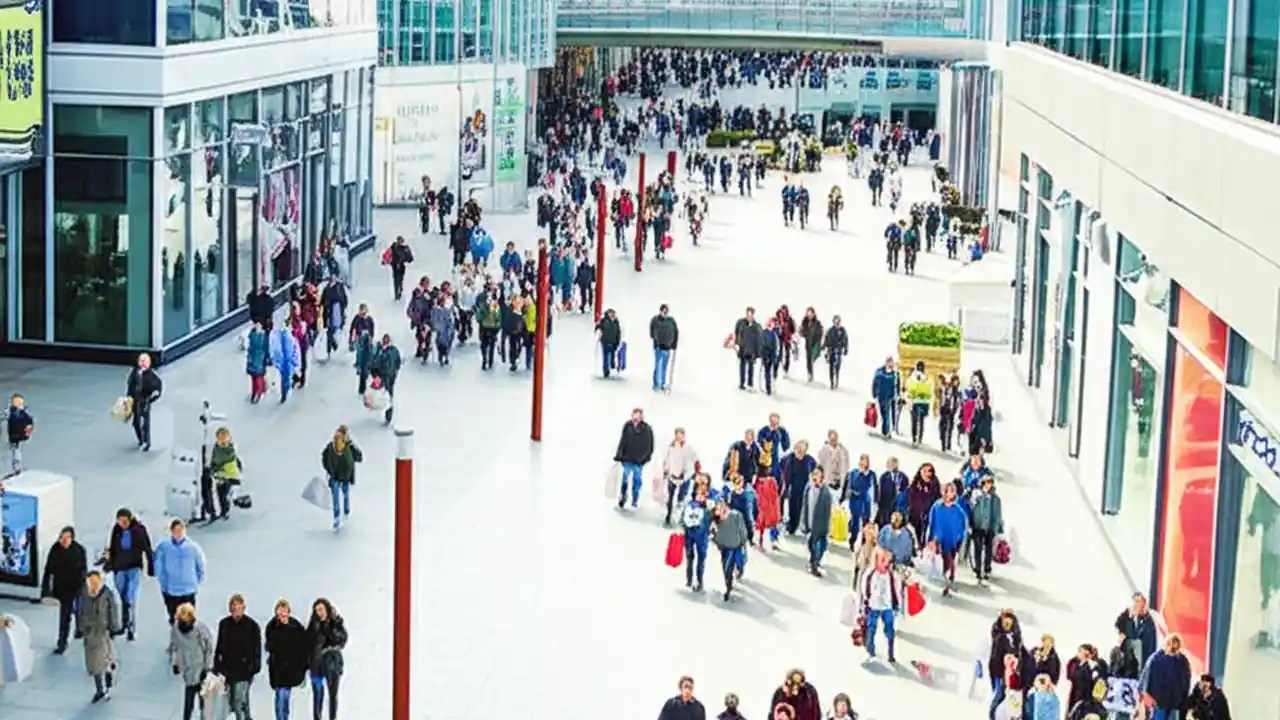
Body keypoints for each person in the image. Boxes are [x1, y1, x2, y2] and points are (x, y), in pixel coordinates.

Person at [103, 508, 154, 642]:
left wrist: (150, 566)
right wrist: (109, 563)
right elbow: (112, 547)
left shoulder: (139, 530)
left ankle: (130, 627)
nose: (122, 524)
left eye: (124, 521)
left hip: (134, 567)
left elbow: (147, 548)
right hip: (119, 568)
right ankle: (124, 622)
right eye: (120, 521)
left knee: (130, 598)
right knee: (122, 598)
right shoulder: (116, 530)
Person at [214, 594, 262, 720]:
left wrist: (255, 666)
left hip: (245, 669)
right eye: (233, 607)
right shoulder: (224, 624)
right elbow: (220, 645)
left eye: (238, 607)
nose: (236, 610)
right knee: (239, 699)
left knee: (238, 700)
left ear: (243, 608)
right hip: (229, 668)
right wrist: (217, 664)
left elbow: (257, 648)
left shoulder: (252, 625)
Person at [42, 525, 87, 654]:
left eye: (67, 538)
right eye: (62, 537)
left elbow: (83, 571)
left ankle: (79, 628)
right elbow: (48, 569)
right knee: (65, 616)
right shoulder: (55, 549)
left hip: (76, 587)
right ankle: (62, 642)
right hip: (62, 588)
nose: (64, 540)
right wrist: (46, 589)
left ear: (72, 538)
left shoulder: (79, 550)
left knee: (79, 611)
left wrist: (80, 586)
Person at [78, 569, 122, 703]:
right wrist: (80, 627)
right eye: (91, 581)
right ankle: (100, 688)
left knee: (103, 659)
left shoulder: (107, 594)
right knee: (94, 663)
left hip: (103, 631)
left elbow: (113, 610)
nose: (93, 584)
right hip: (90, 633)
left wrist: (114, 627)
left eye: (96, 581)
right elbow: (80, 609)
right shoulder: (84, 593)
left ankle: (104, 687)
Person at [265, 598, 311, 720]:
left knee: (286, 697)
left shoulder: (296, 626)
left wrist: (304, 666)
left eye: (284, 612)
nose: (282, 615)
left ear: (288, 612)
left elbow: (304, 647)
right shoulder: (272, 627)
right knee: (281, 697)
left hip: (292, 669)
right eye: (280, 612)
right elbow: (270, 646)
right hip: (278, 669)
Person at [155, 519, 206, 624]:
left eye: (180, 530)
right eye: (175, 531)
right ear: (171, 531)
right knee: (174, 618)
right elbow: (159, 567)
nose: (178, 533)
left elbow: (200, 565)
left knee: (189, 617)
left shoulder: (193, 547)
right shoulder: (164, 547)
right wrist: (164, 584)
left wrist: (196, 582)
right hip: (172, 589)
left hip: (189, 589)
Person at [170, 602, 215, 720]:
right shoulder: (176, 628)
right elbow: (175, 646)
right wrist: (176, 663)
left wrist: (207, 667)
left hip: (200, 667)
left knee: (202, 700)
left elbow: (209, 648)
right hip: (188, 668)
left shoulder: (200, 629)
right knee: (189, 699)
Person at [307, 598, 348, 720]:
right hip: (316, 665)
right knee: (317, 695)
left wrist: (329, 627)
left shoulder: (336, 623)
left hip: (332, 664)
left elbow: (341, 641)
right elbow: (307, 643)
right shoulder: (313, 625)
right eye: (317, 610)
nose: (319, 612)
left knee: (332, 696)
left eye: (321, 609)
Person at [860, 548, 902, 663]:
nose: (885, 563)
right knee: (871, 629)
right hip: (873, 606)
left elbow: (897, 590)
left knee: (890, 630)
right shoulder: (870, 574)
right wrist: (865, 601)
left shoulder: (892, 575)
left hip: (887, 606)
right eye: (882, 560)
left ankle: (891, 653)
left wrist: (897, 605)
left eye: (886, 560)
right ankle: (870, 650)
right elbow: (864, 588)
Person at [926, 483, 967, 596]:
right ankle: (945, 584)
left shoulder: (958, 510)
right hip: (939, 540)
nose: (949, 494)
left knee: (950, 561)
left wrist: (961, 540)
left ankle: (949, 581)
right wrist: (930, 539)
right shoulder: (937, 506)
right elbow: (931, 523)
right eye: (947, 491)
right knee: (942, 562)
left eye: (951, 491)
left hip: (953, 541)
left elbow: (963, 526)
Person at [1139, 634, 1192, 720]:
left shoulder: (1182, 661)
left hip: (1175, 702)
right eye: (1172, 648)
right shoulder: (1155, 659)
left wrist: (1184, 699)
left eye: (1176, 648)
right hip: (1159, 702)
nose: (1174, 651)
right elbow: (1146, 679)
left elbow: (1186, 681)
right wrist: (1147, 696)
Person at [322, 425, 363, 530]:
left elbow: (359, 457)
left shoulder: (349, 447)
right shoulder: (330, 448)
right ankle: (336, 517)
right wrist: (329, 470)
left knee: (345, 493)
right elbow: (324, 458)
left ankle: (346, 508)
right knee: (336, 497)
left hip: (345, 477)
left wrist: (353, 444)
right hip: (335, 476)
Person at [613, 408, 655, 509]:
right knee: (625, 479)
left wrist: (645, 458)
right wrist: (619, 455)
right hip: (627, 458)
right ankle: (623, 497)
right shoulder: (627, 426)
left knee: (637, 481)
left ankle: (635, 499)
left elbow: (650, 445)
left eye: (638, 417)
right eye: (634, 416)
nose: (636, 419)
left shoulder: (646, 429)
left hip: (638, 461)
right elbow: (623, 441)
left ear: (641, 418)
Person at [969, 475, 1005, 583]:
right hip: (978, 526)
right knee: (978, 549)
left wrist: (997, 528)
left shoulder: (995, 498)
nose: (988, 485)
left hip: (989, 527)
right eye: (986, 483)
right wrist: (971, 525)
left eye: (990, 483)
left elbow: (998, 514)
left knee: (989, 549)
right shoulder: (976, 495)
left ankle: (987, 569)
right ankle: (978, 569)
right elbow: (972, 509)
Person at [711, 499, 748, 602]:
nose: (720, 509)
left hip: (735, 546)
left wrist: (743, 543)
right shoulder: (715, 517)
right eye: (718, 507)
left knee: (736, 564)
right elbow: (712, 531)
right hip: (724, 547)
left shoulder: (736, 515)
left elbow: (742, 531)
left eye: (722, 506)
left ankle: (735, 576)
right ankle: (728, 587)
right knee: (726, 567)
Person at [126, 352, 163, 451]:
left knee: (146, 422)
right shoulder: (135, 372)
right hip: (135, 400)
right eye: (141, 361)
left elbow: (157, 387)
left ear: (149, 363)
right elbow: (130, 384)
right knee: (136, 422)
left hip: (145, 400)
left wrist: (152, 398)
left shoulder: (151, 375)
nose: (142, 363)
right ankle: (140, 438)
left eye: (145, 361)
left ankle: (147, 441)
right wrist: (128, 396)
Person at [663, 427, 700, 527]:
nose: (679, 438)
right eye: (677, 435)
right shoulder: (670, 447)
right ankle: (668, 516)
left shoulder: (689, 449)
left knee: (681, 498)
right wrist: (666, 471)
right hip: (672, 476)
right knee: (670, 497)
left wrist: (695, 474)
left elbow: (695, 462)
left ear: (684, 436)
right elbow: (666, 460)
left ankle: (679, 517)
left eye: (681, 436)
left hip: (684, 477)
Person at [801, 467, 834, 576]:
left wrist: (828, 526)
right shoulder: (808, 489)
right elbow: (804, 507)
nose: (815, 476)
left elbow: (828, 510)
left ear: (821, 478)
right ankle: (813, 565)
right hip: (810, 522)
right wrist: (804, 522)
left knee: (821, 546)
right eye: (813, 474)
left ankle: (814, 562)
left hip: (821, 524)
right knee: (812, 545)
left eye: (817, 475)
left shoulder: (825, 492)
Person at [681, 481, 712, 592]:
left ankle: (699, 581)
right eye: (699, 494)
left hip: (702, 537)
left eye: (703, 495)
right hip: (690, 535)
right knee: (690, 557)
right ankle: (689, 579)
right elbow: (683, 519)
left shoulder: (708, 508)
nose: (700, 497)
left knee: (701, 560)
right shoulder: (689, 505)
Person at [209, 426, 244, 522]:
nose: (223, 439)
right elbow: (214, 460)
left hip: (230, 476)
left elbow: (229, 459)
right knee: (220, 494)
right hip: (220, 476)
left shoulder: (231, 449)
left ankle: (226, 510)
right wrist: (213, 468)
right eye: (220, 437)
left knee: (225, 493)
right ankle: (223, 511)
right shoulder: (216, 449)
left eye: (225, 437)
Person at [1115, 592, 1160, 667]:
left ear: (1144, 603)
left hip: (1144, 649)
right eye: (1134, 601)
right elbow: (1118, 626)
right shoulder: (1127, 615)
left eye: (1138, 602)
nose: (1136, 604)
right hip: (1129, 646)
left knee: (1139, 643)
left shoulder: (1149, 618)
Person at [371, 334, 402, 424]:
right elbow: (374, 365)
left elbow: (398, 363)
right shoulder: (380, 351)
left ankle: (388, 414)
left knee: (388, 395)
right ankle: (387, 412)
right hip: (383, 377)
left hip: (390, 377)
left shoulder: (393, 351)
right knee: (386, 395)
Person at [650, 303, 679, 391]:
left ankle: (662, 384)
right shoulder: (655, 320)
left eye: (666, 311)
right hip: (659, 347)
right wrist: (656, 340)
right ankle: (656, 384)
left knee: (664, 367)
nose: (665, 313)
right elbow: (651, 332)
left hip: (667, 347)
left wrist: (674, 345)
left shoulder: (671, 321)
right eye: (663, 311)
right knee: (658, 366)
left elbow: (676, 333)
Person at [733, 307, 763, 391]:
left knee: (751, 368)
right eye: (747, 314)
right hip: (743, 348)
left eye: (750, 314)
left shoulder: (757, 326)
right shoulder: (740, 323)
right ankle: (742, 383)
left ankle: (750, 384)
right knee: (742, 367)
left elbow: (760, 339)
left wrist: (759, 352)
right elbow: (736, 333)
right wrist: (736, 343)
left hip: (752, 350)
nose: (749, 316)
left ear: (753, 315)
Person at [843, 454, 875, 532]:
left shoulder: (871, 474)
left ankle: (864, 540)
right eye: (861, 461)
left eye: (865, 461)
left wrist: (864, 474)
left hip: (865, 499)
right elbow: (850, 485)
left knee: (865, 520)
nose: (863, 463)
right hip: (854, 499)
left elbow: (869, 486)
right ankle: (852, 539)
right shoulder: (853, 472)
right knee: (854, 519)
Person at [4, 392, 33, 473]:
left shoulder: (13, 412)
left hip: (15, 435)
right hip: (18, 435)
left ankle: (17, 468)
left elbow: (28, 422)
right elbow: (29, 422)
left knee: (16, 451)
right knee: (16, 450)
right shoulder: (21, 412)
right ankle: (17, 468)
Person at [871, 357, 900, 438]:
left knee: (887, 413)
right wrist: (874, 393)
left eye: (891, 362)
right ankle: (885, 430)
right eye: (888, 361)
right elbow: (874, 383)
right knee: (883, 413)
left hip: (890, 396)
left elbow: (897, 385)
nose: (889, 363)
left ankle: (886, 431)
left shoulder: (895, 374)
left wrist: (897, 395)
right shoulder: (879, 372)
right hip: (881, 395)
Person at [905, 361, 933, 446]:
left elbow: (909, 389)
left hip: (914, 402)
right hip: (923, 402)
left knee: (914, 421)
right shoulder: (927, 379)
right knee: (921, 421)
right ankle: (919, 438)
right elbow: (929, 392)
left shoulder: (912, 378)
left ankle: (914, 438)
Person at [817, 430, 850, 495]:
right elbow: (821, 465)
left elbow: (846, 466)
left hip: (838, 484)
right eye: (832, 439)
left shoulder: (844, 451)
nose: (834, 441)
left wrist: (840, 479)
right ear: (828, 439)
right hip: (826, 482)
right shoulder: (823, 450)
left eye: (835, 439)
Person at [595, 308, 623, 378]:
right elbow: (598, 327)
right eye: (611, 313)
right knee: (606, 357)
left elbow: (618, 331)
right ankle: (606, 371)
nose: (612, 315)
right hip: (605, 341)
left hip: (613, 342)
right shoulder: (604, 320)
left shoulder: (616, 321)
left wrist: (619, 340)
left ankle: (612, 366)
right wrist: (597, 329)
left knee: (612, 356)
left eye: (613, 313)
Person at [822, 316, 848, 389]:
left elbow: (846, 340)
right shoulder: (830, 330)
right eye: (836, 322)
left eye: (838, 322)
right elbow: (826, 339)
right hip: (831, 350)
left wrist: (846, 348)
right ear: (833, 322)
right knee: (831, 367)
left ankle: (836, 380)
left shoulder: (843, 330)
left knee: (837, 366)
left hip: (839, 351)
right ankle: (832, 382)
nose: (837, 323)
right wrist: (823, 346)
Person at [799, 307, 823, 383]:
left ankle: (811, 373)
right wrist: (803, 333)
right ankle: (810, 374)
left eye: (811, 314)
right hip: (808, 344)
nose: (809, 315)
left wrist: (817, 338)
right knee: (809, 359)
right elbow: (801, 332)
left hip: (815, 343)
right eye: (808, 313)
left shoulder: (817, 322)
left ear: (813, 314)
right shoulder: (804, 322)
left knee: (813, 358)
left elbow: (820, 332)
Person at [387, 235, 414, 300]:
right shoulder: (397, 247)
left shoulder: (400, 247)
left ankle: (398, 290)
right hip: (396, 266)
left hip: (398, 266)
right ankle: (397, 292)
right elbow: (410, 258)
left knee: (398, 279)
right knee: (397, 279)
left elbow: (410, 258)